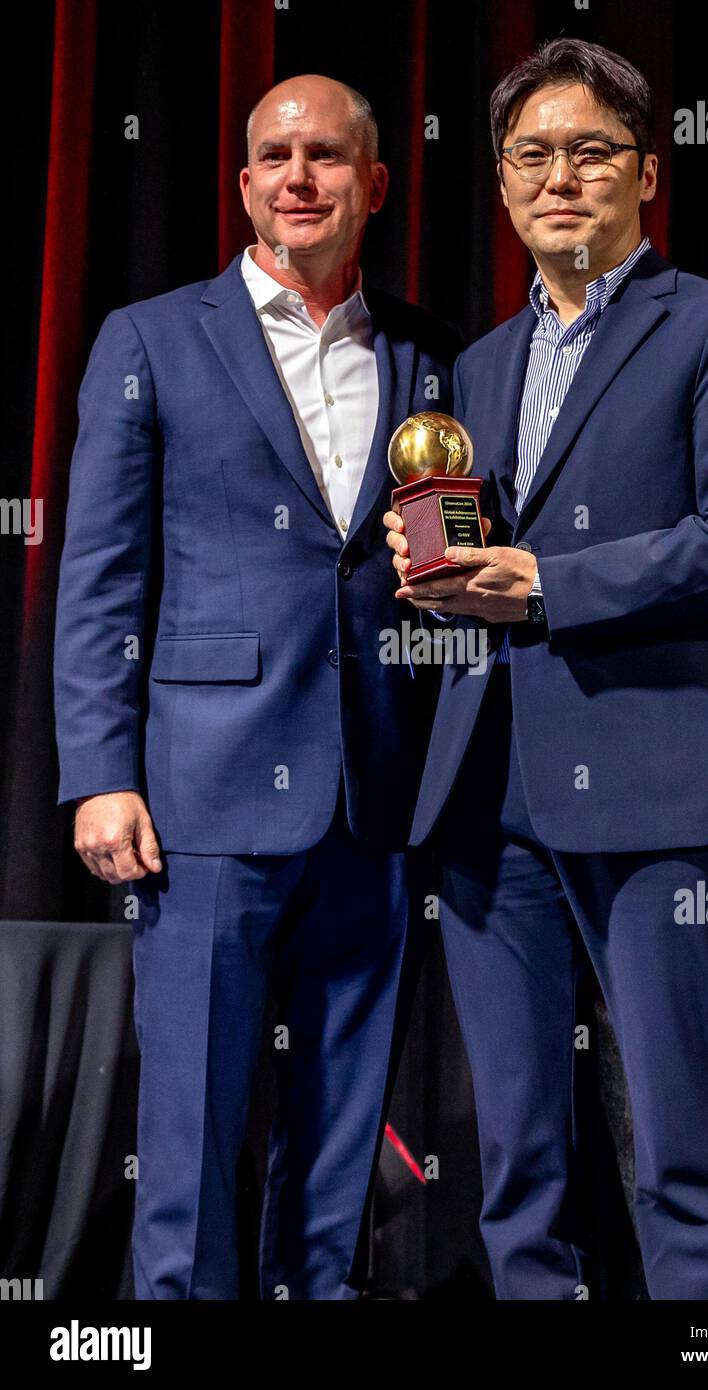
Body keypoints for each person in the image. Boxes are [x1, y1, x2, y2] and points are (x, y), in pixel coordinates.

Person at [385, 37, 708, 1299]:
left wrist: (549, 583)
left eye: (588, 151)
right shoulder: (477, 367)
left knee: (683, 1143)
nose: (557, 177)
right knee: (516, 1154)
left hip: (646, 783)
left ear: (646, 174)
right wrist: (440, 581)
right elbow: (463, 546)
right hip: (484, 795)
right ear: (503, 184)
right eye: (530, 155)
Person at [54, 74, 458, 1300]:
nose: (298, 176)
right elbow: (101, 576)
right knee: (189, 1139)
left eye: (326, 157)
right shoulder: (150, 339)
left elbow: (437, 568)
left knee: (337, 1154)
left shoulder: (427, 355)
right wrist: (99, 776)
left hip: (374, 806)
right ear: (242, 186)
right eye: (275, 156)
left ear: (371, 186)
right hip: (202, 798)